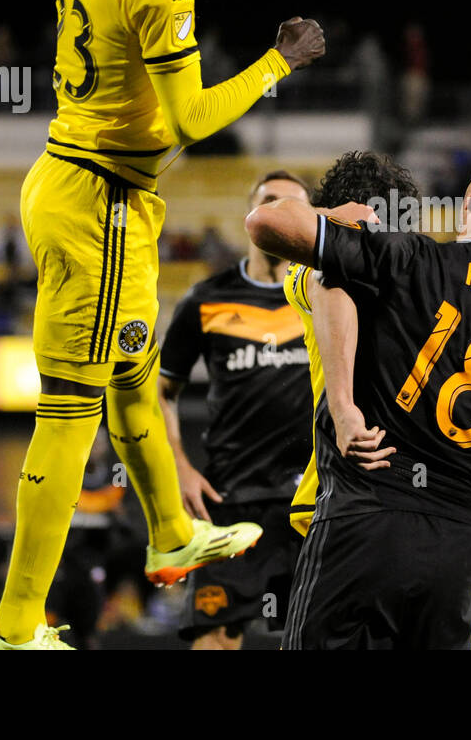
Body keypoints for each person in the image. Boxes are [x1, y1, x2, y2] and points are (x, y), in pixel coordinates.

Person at [0, 0, 326, 650]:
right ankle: (15, 626)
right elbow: (189, 120)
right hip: (95, 203)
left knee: (133, 371)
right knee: (69, 412)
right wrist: (278, 63)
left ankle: (173, 532)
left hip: (90, 189)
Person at [247, 134, 471, 649]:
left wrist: (333, 213)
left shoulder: (409, 260)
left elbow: (274, 231)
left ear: (470, 197)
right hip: (452, 551)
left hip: (362, 520)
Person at [280, 151, 471, 648]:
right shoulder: (441, 287)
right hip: (433, 515)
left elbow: (318, 271)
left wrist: (343, 409)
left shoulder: (316, 270)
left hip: (355, 507)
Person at [158, 172, 314, 650]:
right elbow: (161, 390)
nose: (280, 209)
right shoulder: (207, 298)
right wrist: (180, 468)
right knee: (214, 641)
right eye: (269, 200)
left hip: (311, 504)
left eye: (293, 203)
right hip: (230, 502)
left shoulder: (324, 296)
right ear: (250, 217)